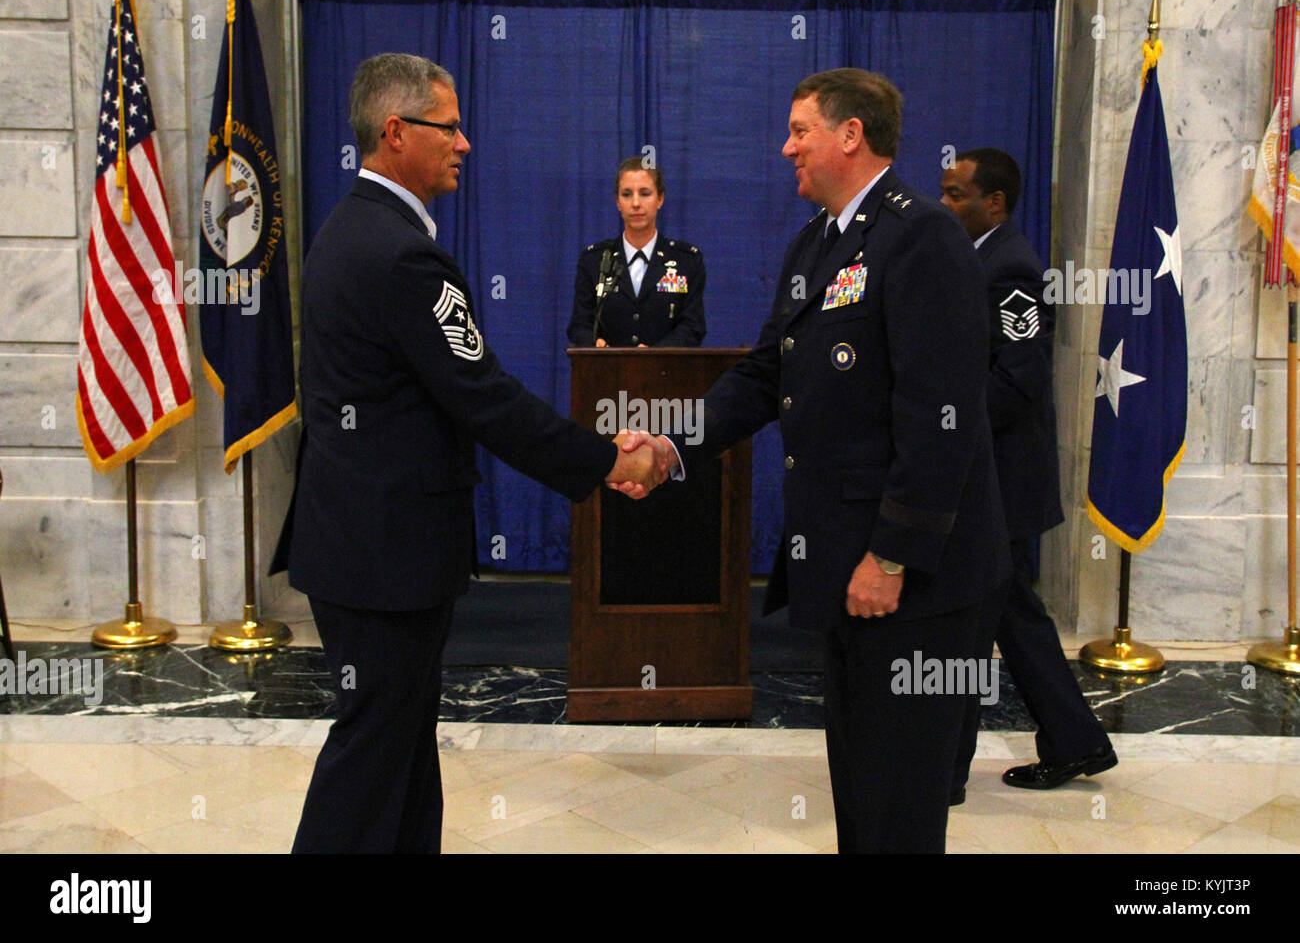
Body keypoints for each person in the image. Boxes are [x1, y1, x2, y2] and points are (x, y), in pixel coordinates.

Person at [280, 53, 661, 853]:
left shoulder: (353, 228)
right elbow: (484, 397)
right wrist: (608, 463)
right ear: (394, 132)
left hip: (362, 541)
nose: (464, 143)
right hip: (383, 553)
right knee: (375, 749)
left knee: (403, 740)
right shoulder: (400, 253)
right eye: (447, 127)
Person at [621, 69, 1010, 853]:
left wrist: (892, 555)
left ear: (850, 135)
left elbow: (944, 417)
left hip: (909, 578)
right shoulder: (817, 242)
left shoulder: (921, 236)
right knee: (861, 776)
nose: (786, 146)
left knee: (902, 794)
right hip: (844, 561)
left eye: (800, 130)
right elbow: (767, 374)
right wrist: (670, 440)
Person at [941, 148, 1115, 796]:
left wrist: (947, 429)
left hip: (1001, 484)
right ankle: (1076, 741)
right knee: (1012, 619)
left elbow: (1019, 381)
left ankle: (946, 774)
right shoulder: (982, 258)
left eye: (957, 194)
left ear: (995, 203)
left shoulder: (1009, 267)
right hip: (991, 482)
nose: (945, 204)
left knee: (970, 626)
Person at [566, 158, 706, 348]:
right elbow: (579, 324)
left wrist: (654, 355)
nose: (636, 203)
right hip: (607, 371)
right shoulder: (595, 260)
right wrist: (594, 344)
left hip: (667, 372)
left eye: (645, 193)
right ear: (617, 202)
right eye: (626, 194)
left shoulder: (686, 261)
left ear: (660, 198)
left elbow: (693, 326)